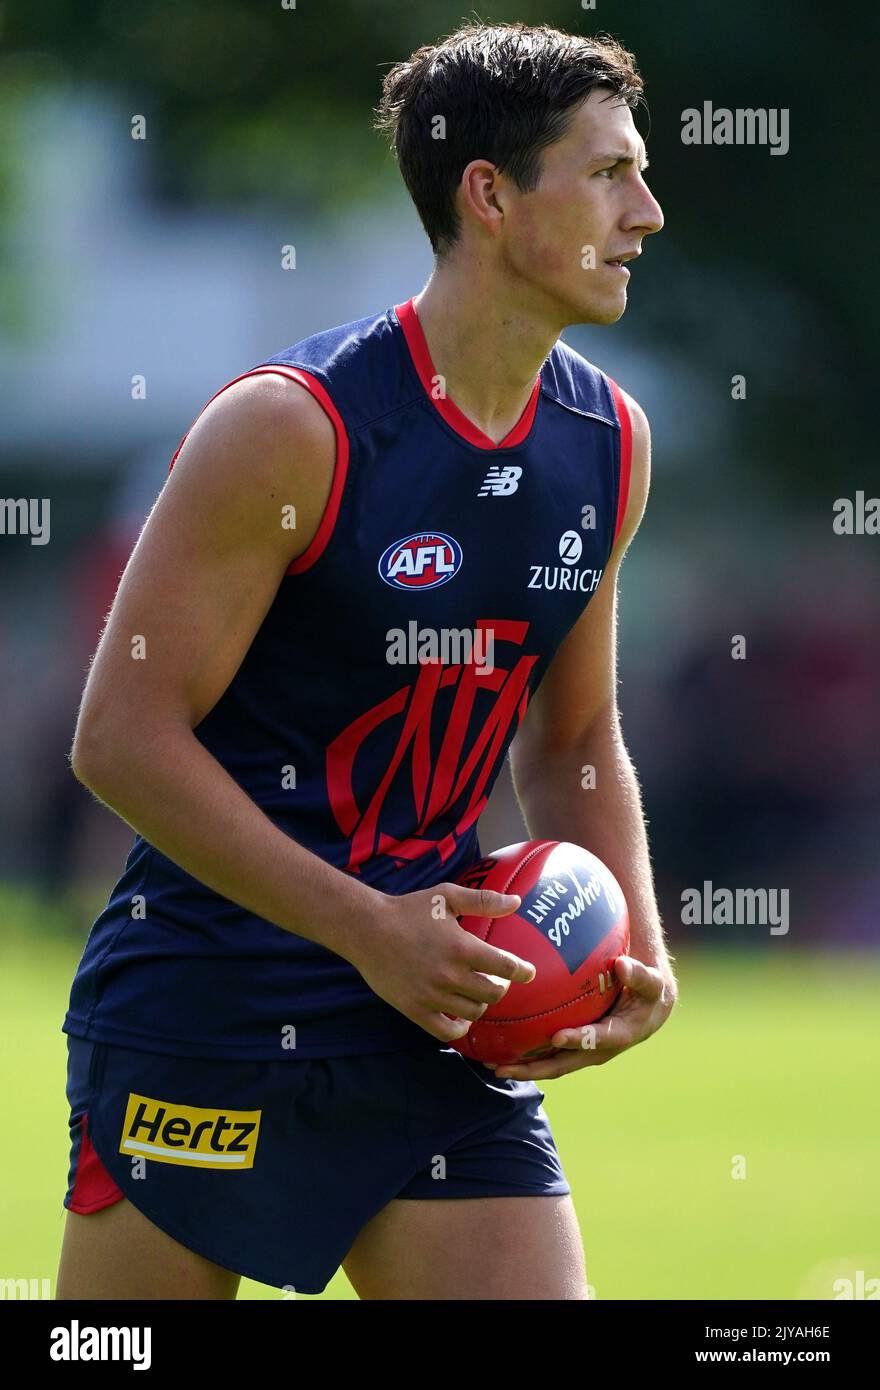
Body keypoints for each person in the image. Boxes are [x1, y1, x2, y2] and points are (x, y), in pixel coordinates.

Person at [57, 20, 675, 1301]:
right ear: (490, 196)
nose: (648, 212)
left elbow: (570, 740)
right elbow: (120, 737)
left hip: (440, 1007)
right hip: (213, 1003)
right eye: (609, 173)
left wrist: (638, 940)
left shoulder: (608, 442)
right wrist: (364, 929)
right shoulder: (293, 427)